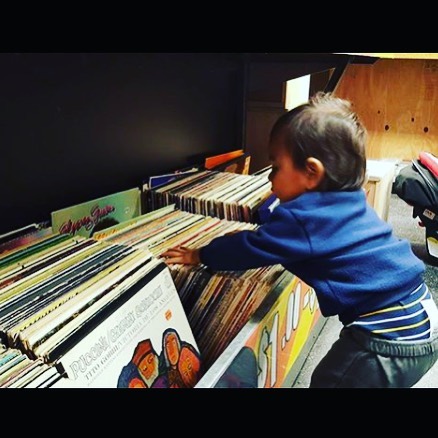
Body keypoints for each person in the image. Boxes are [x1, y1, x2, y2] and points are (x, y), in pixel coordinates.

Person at [161, 91, 438, 388]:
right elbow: (300, 230)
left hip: (383, 339)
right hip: (421, 319)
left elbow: (248, 250)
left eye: (275, 168)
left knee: (328, 382)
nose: (269, 179)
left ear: (311, 172)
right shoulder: (350, 199)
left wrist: (200, 255)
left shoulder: (300, 222)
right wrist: (267, 225)